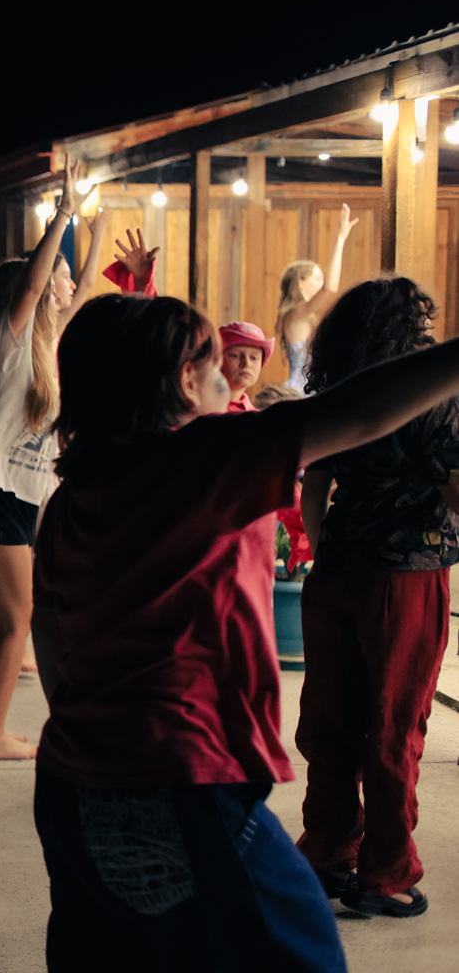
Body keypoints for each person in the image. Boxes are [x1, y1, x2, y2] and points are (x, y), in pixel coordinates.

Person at [24, 284, 459, 968]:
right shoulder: (211, 457)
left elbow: (49, 632)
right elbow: (361, 410)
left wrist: (96, 736)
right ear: (182, 383)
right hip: (181, 777)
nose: (229, 374)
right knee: (305, 952)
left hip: (72, 781)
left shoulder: (74, 495)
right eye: (212, 362)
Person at [296, 278, 457, 919]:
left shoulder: (339, 392)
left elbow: (314, 490)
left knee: (330, 720)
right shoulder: (429, 396)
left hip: (336, 571)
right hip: (406, 577)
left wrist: (329, 549)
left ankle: (327, 852)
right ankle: (385, 872)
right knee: (394, 723)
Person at [0, 159, 88, 759]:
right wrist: (63, 213)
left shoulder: (42, 348)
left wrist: (93, 230)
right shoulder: (7, 341)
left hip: (10, 496)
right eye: (54, 278)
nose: (59, 285)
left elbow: (77, 296)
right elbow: (34, 286)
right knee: (16, 619)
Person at [276, 203, 358, 395]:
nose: (322, 283)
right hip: (301, 391)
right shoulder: (295, 314)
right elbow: (330, 288)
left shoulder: (304, 314)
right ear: (302, 283)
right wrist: (339, 239)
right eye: (318, 278)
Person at [220, 321, 275, 412]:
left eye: (254, 358)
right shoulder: (200, 409)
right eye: (235, 355)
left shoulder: (257, 417)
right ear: (217, 359)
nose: (246, 364)